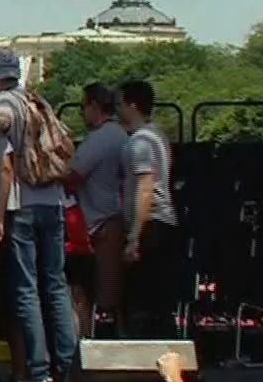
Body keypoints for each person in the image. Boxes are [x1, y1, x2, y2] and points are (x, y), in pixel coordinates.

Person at [0, 48, 77, 382]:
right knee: (56, 285)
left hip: (23, 204)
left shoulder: (3, 106)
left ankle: (37, 374)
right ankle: (70, 369)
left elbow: (6, 166)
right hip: (53, 201)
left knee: (26, 289)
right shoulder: (39, 102)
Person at [61, 82, 126, 338]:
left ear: (94, 106)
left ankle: (86, 343)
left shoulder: (100, 139)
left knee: (86, 291)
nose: (81, 113)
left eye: (82, 107)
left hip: (100, 223)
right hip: (109, 218)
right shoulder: (120, 135)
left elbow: (72, 175)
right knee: (111, 292)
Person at [117, 79, 179, 338]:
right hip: (162, 222)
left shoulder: (141, 142)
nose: (117, 109)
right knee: (159, 302)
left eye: (120, 103)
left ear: (132, 105)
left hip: (151, 223)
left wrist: (134, 236)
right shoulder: (158, 136)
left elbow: (145, 187)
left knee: (144, 300)